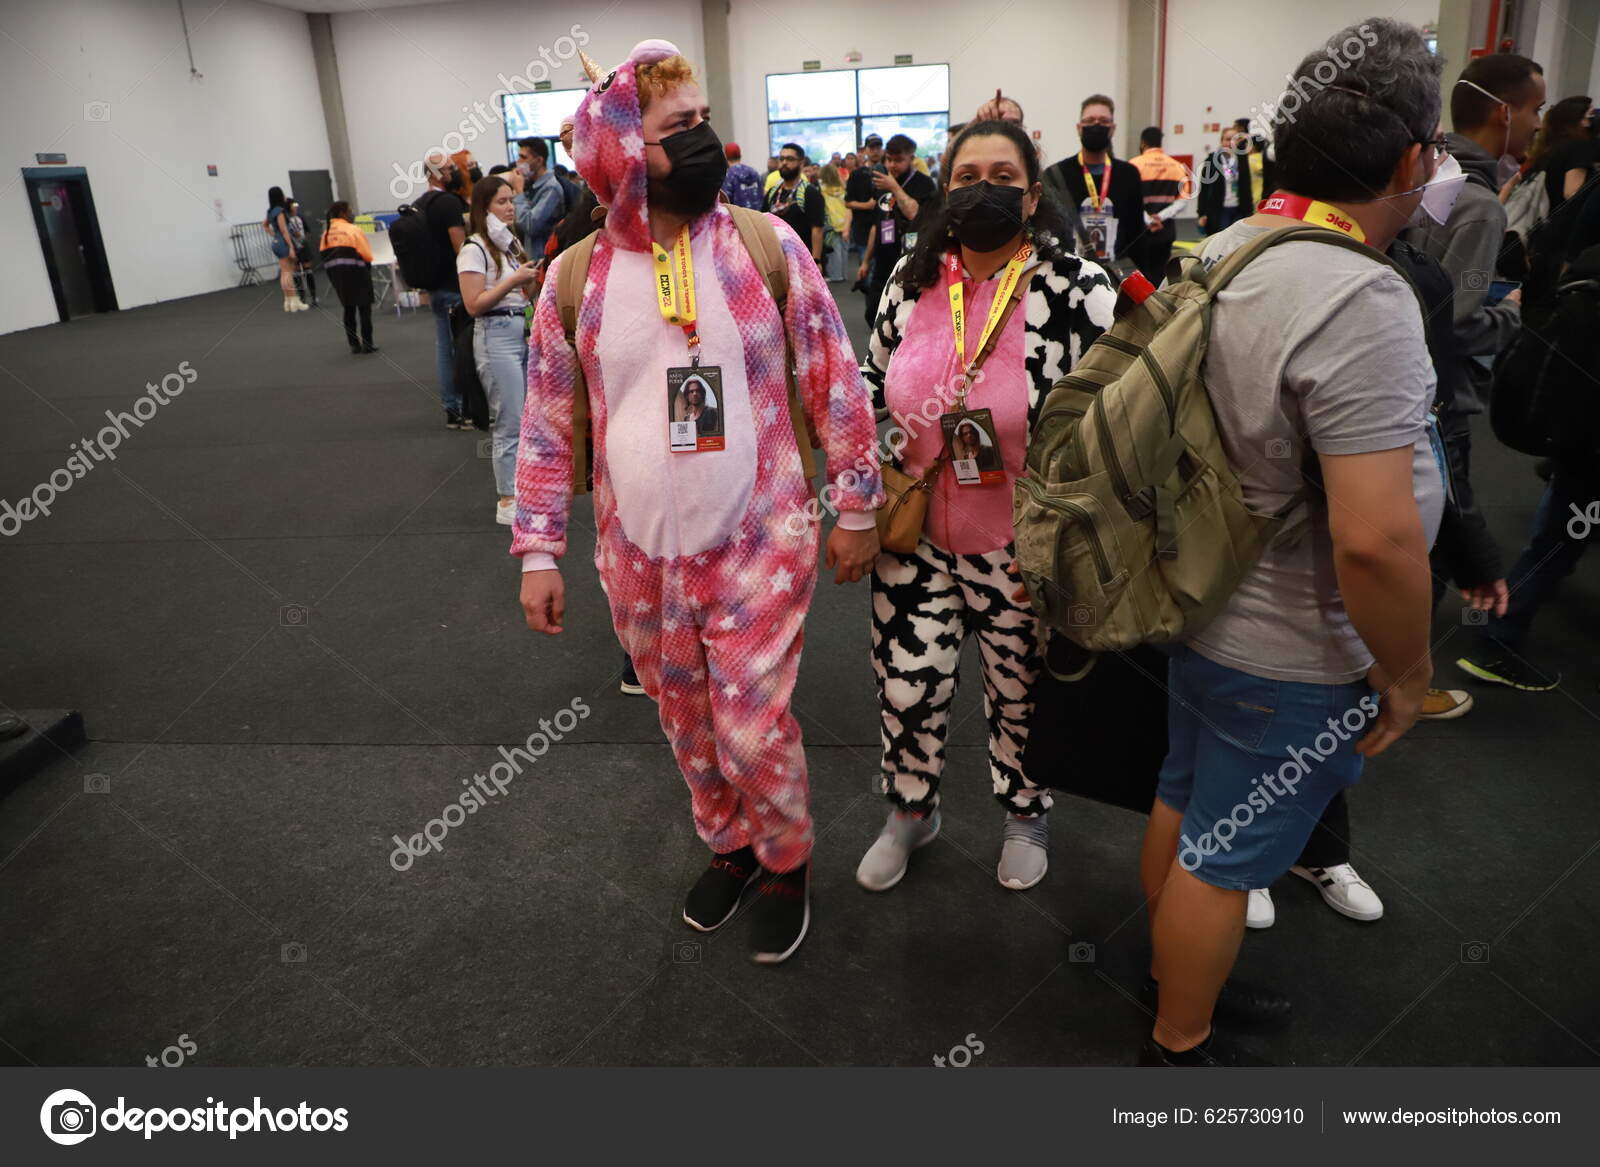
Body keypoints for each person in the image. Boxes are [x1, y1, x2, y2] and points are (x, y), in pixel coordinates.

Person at [515, 41, 882, 964]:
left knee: (752, 724)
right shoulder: (575, 278)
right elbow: (550, 423)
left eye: (705, 119)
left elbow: (836, 379)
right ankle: (728, 847)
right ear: (624, 154)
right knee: (685, 722)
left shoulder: (765, 245)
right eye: (681, 128)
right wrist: (538, 550)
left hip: (762, 535)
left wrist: (859, 502)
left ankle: (787, 859)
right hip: (636, 554)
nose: (709, 141)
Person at [1141, 17, 1445, 1067]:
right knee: (1225, 863)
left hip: (1195, 603)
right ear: (1411, 161)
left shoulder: (1223, 249)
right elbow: (1373, 543)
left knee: (1182, 804)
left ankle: (1168, 985)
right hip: (1292, 647)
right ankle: (1177, 1038)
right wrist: (1405, 676)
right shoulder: (1360, 294)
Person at [856, 119, 1116, 893]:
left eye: (1003, 175)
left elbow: (1123, 416)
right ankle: (910, 808)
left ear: (1033, 195)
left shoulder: (1078, 289)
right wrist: (859, 502)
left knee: (1021, 691)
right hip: (915, 535)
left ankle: (1025, 807)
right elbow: (868, 392)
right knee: (906, 684)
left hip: (1024, 545)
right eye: (967, 173)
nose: (982, 188)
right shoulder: (913, 276)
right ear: (945, 187)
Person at [1406, 53, 1546, 697]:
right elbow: (1452, 324)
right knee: (1436, 544)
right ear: (1503, 113)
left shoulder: (1422, 172)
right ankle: (1404, 683)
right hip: (1435, 399)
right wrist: (1511, 318)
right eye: (1537, 110)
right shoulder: (1480, 203)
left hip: (1397, 384)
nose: (1540, 124)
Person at [458, 176, 541, 527]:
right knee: (509, 419)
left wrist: (530, 280)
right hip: (495, 335)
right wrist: (513, 281)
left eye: (511, 201)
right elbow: (473, 304)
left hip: (517, 331)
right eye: (501, 202)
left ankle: (522, 488)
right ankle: (508, 497)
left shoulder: (509, 245)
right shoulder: (474, 249)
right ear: (484, 207)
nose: (510, 207)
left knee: (525, 416)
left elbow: (522, 292)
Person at [1042, 94, 1145, 272]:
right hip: (1069, 272)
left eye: (1103, 121)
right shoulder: (1055, 175)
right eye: (1089, 120)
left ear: (1112, 129)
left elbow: (1136, 233)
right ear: (1079, 128)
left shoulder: (1128, 175)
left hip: (1116, 274)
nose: (1096, 125)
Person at [857, 133, 938, 328]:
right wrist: (866, 261)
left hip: (911, 258)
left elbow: (914, 214)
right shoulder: (882, 183)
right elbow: (878, 224)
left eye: (899, 160)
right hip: (883, 258)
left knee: (904, 316)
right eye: (889, 159)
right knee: (873, 311)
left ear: (911, 158)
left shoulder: (923, 183)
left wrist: (894, 187)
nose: (892, 165)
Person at [416, 152, 470, 429]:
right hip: (455, 287)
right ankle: (463, 407)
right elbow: (461, 250)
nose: (455, 171)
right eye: (450, 168)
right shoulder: (448, 203)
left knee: (444, 348)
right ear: (437, 174)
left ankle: (452, 407)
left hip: (434, 287)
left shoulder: (419, 204)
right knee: (461, 350)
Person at [1129, 126, 1189, 283]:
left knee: (1139, 275)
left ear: (1143, 143)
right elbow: (1182, 202)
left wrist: (1148, 220)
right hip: (1166, 230)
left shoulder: (1133, 166)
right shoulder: (1177, 167)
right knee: (1161, 272)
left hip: (1139, 231)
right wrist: (1160, 217)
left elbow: (1130, 200)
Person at [318, 201, 376, 355]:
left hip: (338, 277)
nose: (352, 214)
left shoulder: (326, 233)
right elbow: (367, 255)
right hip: (358, 273)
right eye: (350, 211)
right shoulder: (353, 230)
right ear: (343, 213)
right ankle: (368, 344)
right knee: (364, 309)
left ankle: (354, 345)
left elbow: (323, 256)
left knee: (348, 309)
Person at [1525, 95, 1593, 215]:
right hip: (1564, 226)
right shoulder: (1578, 147)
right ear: (1577, 120)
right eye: (1590, 116)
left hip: (1544, 221)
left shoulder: (1549, 149)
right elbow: (1572, 193)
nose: (1593, 121)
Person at [765, 142, 826, 266]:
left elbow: (817, 229)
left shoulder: (810, 192)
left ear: (801, 163)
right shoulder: (772, 192)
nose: (784, 163)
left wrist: (816, 261)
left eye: (790, 159)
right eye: (781, 159)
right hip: (777, 261)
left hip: (804, 261)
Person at [511, 137, 565, 257]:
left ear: (539, 161)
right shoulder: (531, 185)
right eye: (518, 156)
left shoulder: (551, 188)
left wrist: (519, 193)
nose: (518, 162)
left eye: (523, 157)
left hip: (544, 258)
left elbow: (531, 225)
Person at [1196, 125, 1253, 235]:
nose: (1230, 143)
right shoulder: (1211, 161)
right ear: (1221, 142)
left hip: (1239, 208)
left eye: (1234, 139)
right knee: (1221, 241)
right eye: (1227, 139)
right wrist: (1201, 213)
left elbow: (1247, 187)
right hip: (1220, 209)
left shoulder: (1242, 160)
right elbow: (1204, 189)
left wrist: (1249, 211)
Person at [844, 133, 885, 281]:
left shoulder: (888, 172)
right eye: (872, 147)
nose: (875, 150)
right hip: (863, 228)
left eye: (878, 147)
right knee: (867, 271)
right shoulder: (857, 174)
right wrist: (866, 206)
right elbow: (848, 202)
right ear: (866, 150)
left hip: (886, 227)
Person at [264, 187, 306, 313]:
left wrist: (274, 235)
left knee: (284, 272)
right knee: (288, 273)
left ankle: (288, 301)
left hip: (276, 242)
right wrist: (291, 247)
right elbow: (284, 230)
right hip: (283, 242)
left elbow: (265, 225)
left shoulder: (270, 211)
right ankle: (294, 302)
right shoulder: (280, 211)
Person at [818, 161, 849, 279]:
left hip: (832, 221)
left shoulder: (822, 188)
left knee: (835, 250)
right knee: (844, 250)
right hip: (845, 219)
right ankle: (844, 274)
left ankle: (836, 275)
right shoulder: (842, 187)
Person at [285, 198, 317, 308]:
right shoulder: (286, 219)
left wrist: (303, 241)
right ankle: (302, 298)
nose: (296, 207)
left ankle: (313, 297)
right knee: (297, 272)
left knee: (308, 270)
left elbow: (307, 230)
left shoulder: (300, 217)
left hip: (303, 246)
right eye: (293, 205)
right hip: (293, 248)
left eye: (296, 205)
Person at [721, 141, 764, 209]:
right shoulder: (754, 172)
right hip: (757, 216)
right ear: (740, 155)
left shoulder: (728, 175)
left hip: (738, 217)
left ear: (726, 157)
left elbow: (725, 201)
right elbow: (762, 194)